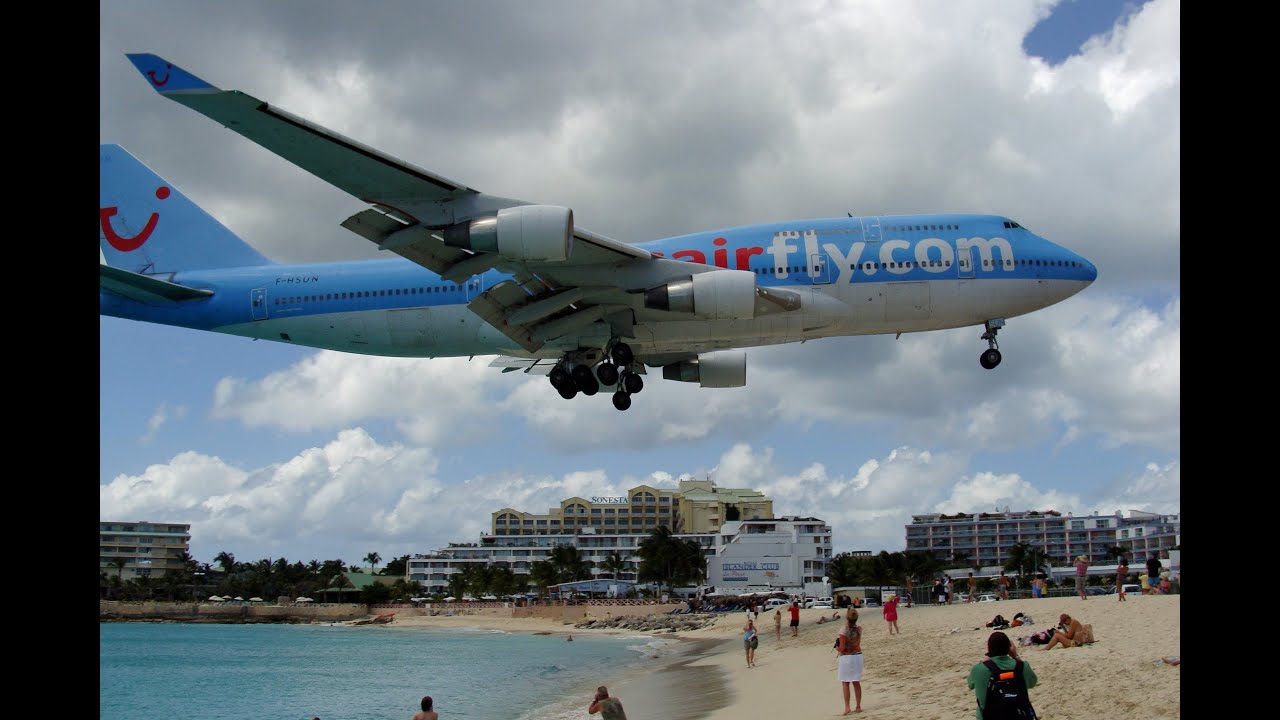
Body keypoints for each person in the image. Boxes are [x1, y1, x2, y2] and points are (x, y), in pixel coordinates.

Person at [967, 631, 1037, 720]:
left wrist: (985, 661)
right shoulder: (1022, 666)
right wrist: (1015, 656)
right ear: (1009, 648)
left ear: (989, 649)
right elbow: (1033, 683)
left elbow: (970, 685)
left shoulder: (979, 669)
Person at [835, 608, 864, 714]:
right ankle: (858, 706)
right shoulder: (859, 629)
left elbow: (842, 648)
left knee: (845, 682)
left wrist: (837, 648)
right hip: (858, 656)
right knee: (856, 682)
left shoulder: (843, 629)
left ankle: (847, 707)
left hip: (847, 657)